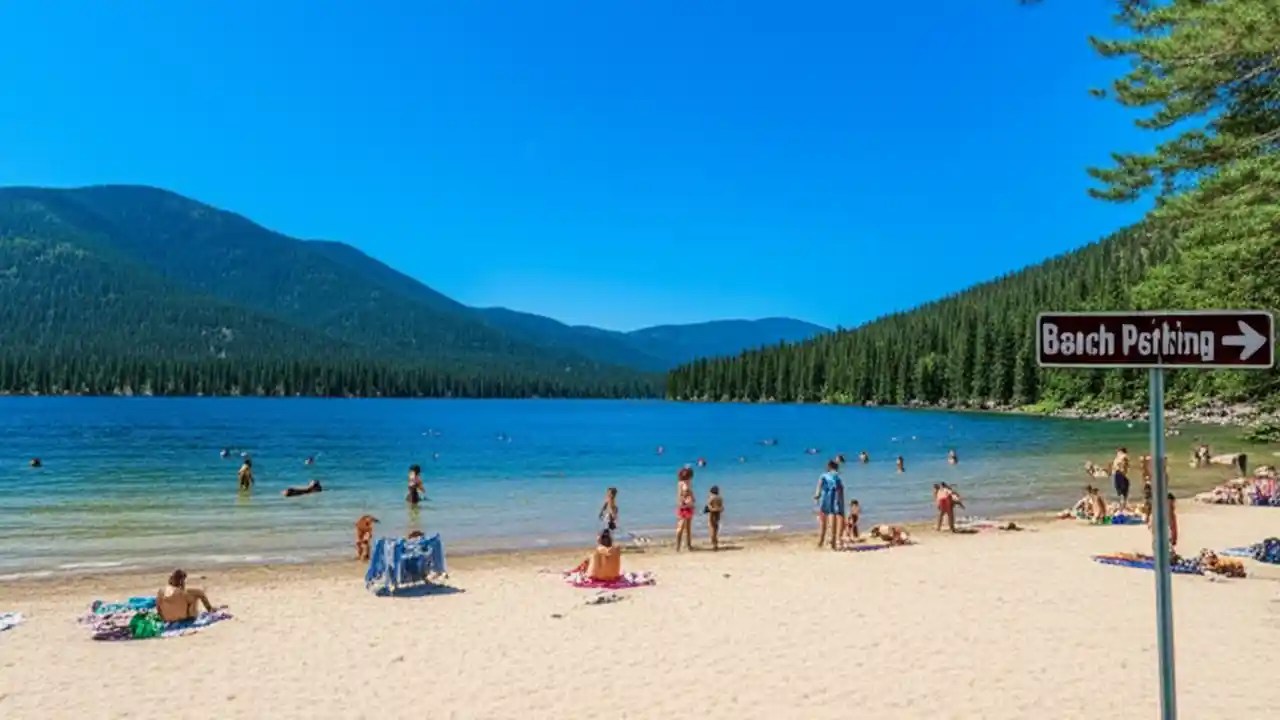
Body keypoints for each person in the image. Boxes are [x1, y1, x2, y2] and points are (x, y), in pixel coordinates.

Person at [813, 460, 846, 550]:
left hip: (825, 499)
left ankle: (821, 541)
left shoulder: (823, 476)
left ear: (828, 467)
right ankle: (834, 542)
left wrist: (816, 497)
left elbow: (818, 489)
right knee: (833, 521)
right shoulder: (837, 477)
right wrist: (841, 503)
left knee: (823, 521)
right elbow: (841, 490)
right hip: (835, 500)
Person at [675, 467, 695, 551]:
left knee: (687, 527)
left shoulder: (684, 483)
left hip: (686, 505)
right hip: (685, 506)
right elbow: (683, 494)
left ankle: (687, 545)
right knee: (682, 527)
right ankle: (680, 546)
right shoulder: (683, 484)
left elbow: (688, 493)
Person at [704, 485, 724, 550]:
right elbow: (722, 507)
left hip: (712, 514)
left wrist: (709, 509)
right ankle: (715, 542)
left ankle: (714, 543)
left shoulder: (712, 497)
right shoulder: (720, 498)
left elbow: (709, 505)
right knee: (715, 528)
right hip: (718, 514)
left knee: (711, 528)